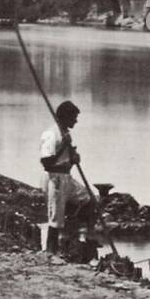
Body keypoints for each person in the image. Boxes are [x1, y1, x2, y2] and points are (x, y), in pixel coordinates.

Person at [40, 100, 92, 238]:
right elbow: (46, 162)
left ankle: (75, 237)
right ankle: (52, 252)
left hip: (66, 177)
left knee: (89, 199)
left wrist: (73, 159)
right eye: (74, 117)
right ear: (65, 117)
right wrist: (64, 146)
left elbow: (62, 159)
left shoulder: (65, 133)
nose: (76, 121)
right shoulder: (51, 134)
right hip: (54, 179)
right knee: (55, 219)